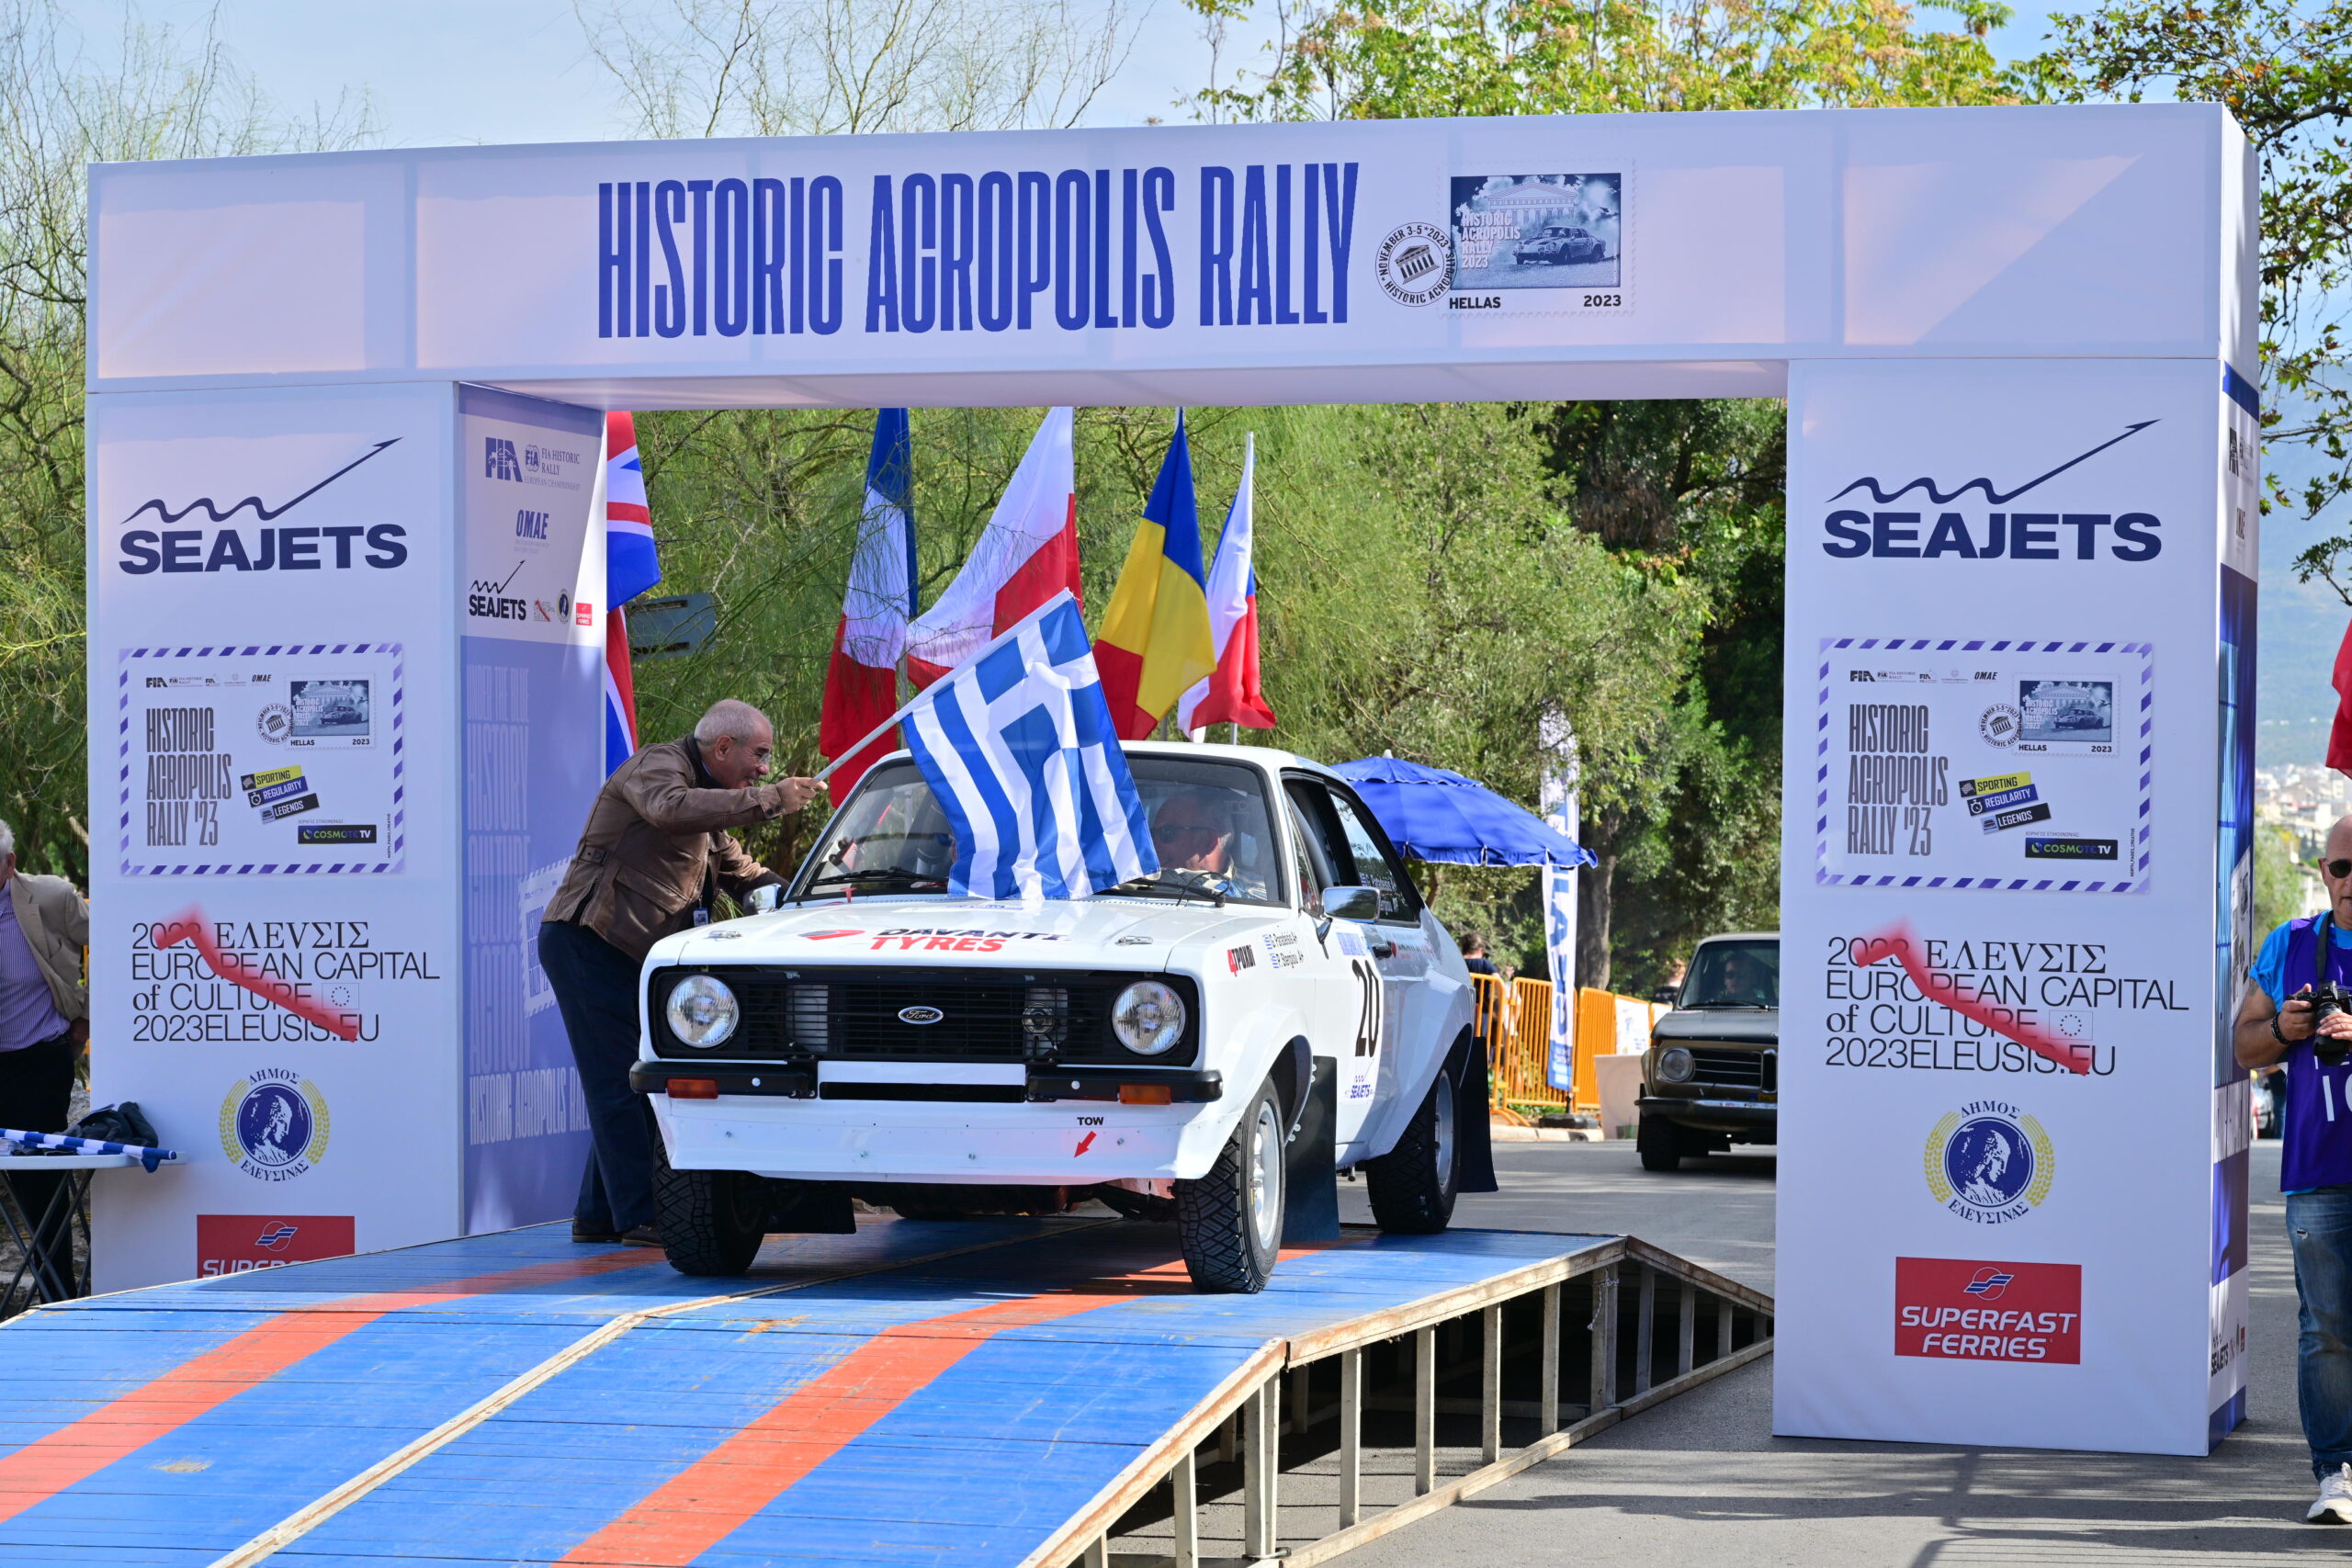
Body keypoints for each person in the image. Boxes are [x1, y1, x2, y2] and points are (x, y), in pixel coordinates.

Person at [539, 701, 820, 1247]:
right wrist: (770, 800)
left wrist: (813, 899)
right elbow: (671, 809)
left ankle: (599, 1215)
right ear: (723, 747)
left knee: (631, 1083)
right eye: (760, 755)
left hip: (634, 958)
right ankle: (642, 1216)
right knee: (620, 1085)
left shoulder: (709, 811)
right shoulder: (658, 769)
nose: (765, 768)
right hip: (589, 944)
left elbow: (747, 874)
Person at [2235, 814, 2352, 1524]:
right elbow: (2243, 1044)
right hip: (2317, 1169)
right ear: (2323, 872)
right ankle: (2336, 1470)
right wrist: (2285, 1027)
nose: (2351, 881)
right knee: (2327, 1328)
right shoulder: (2291, 943)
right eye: (2341, 867)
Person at [0, 819, 88, 1299]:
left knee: (39, 1186)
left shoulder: (50, 897)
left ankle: (60, 1300)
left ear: (9, 863)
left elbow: (118, 941)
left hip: (37, 1062)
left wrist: (87, 1013)